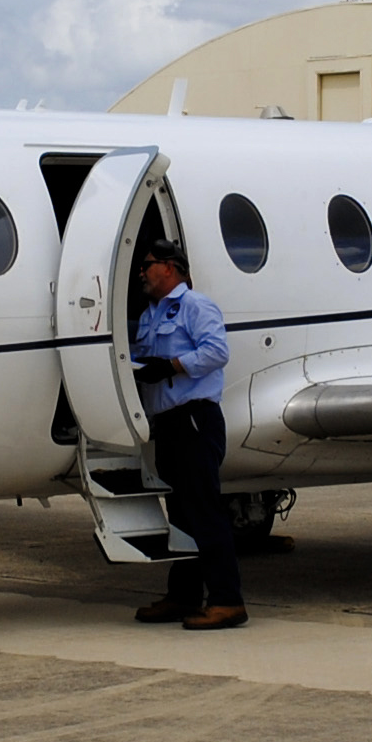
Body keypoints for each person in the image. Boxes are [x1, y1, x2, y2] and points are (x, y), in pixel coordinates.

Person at [127, 248, 245, 628]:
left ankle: (227, 600)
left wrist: (171, 366)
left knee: (204, 510)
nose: (141, 272)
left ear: (170, 267)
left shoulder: (195, 305)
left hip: (195, 418)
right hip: (169, 423)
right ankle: (184, 595)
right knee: (180, 515)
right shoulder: (149, 316)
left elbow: (216, 351)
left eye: (147, 266)